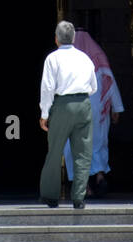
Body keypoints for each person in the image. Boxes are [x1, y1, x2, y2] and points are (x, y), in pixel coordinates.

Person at [39, 20, 97, 210]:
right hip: (83, 104)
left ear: (56, 39)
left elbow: (47, 88)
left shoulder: (52, 59)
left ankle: (50, 196)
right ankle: (79, 197)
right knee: (83, 153)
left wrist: (44, 113)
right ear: (73, 38)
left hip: (62, 104)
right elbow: (94, 87)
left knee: (55, 151)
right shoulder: (85, 58)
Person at [63, 30, 123, 196]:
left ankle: (83, 186)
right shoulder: (98, 58)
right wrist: (116, 108)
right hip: (97, 112)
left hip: (74, 110)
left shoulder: (68, 61)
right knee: (97, 144)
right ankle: (99, 175)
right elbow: (110, 84)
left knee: (75, 146)